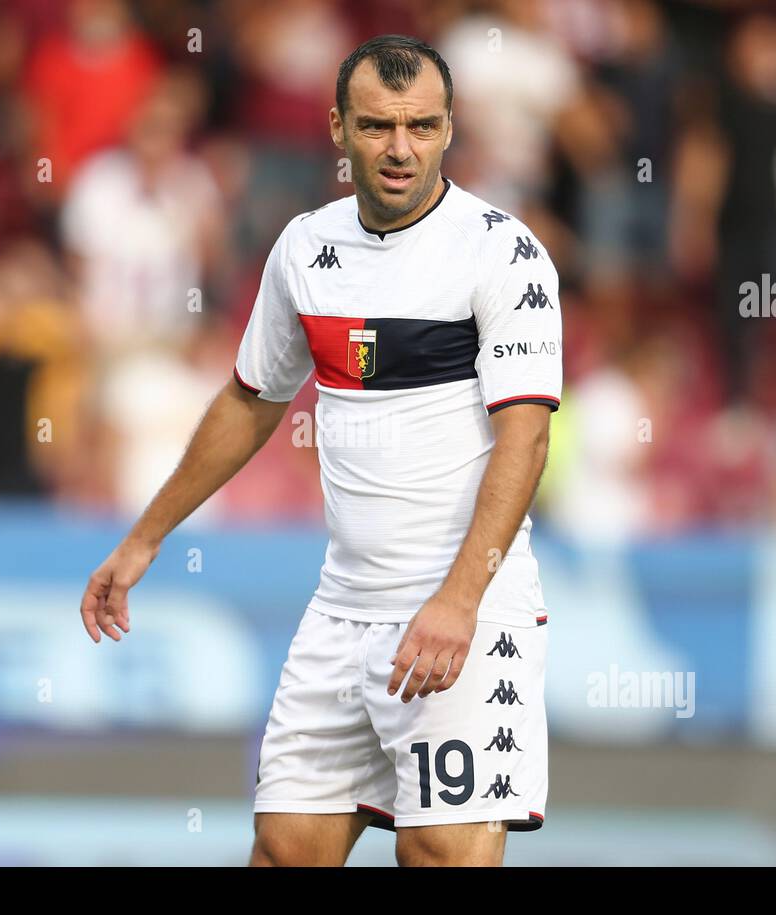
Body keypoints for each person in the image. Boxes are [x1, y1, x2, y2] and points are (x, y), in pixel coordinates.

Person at [80, 35, 562, 867]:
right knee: (284, 851)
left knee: (442, 854)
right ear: (338, 129)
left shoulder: (501, 251)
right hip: (343, 611)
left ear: (451, 128)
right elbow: (250, 399)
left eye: (423, 126)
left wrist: (458, 599)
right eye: (377, 127)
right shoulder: (306, 248)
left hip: (468, 608)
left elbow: (527, 434)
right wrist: (145, 537)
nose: (402, 149)